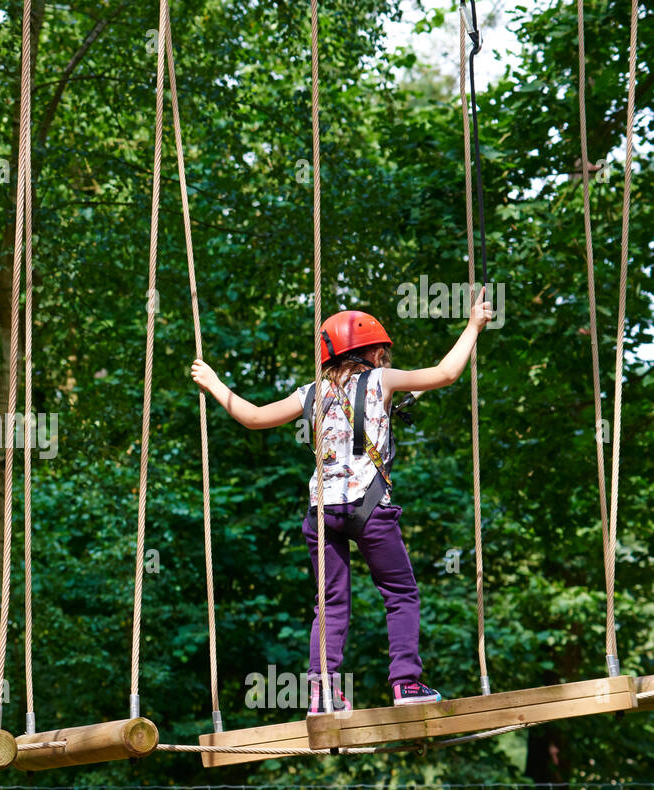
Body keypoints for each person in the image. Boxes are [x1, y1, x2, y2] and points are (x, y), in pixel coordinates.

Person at [190, 289, 494, 713]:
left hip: (322, 513)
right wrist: (473, 326)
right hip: (370, 510)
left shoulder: (309, 393)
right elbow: (445, 373)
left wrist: (215, 384)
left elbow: (253, 417)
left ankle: (322, 692)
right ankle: (406, 685)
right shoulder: (381, 381)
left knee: (330, 603)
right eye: (382, 353)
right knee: (401, 593)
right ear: (370, 351)